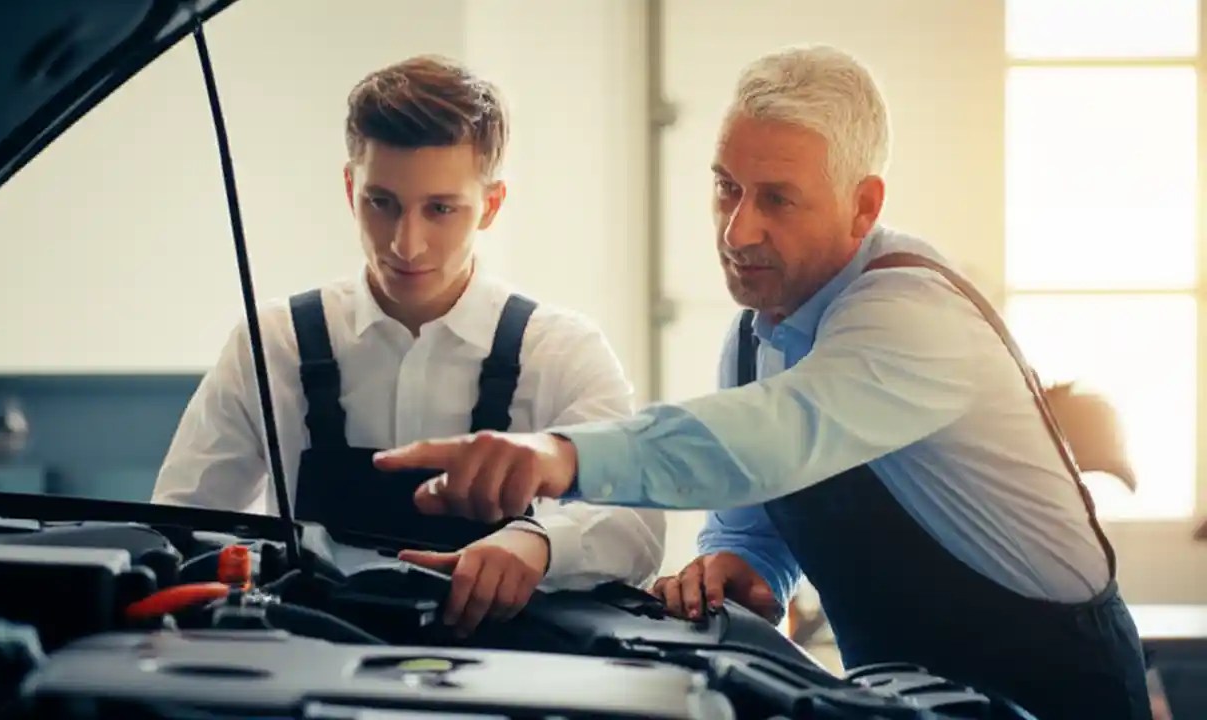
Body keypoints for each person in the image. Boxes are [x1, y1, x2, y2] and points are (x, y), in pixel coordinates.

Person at [371, 46, 1152, 719]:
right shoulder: (752, 341)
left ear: (863, 204)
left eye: (776, 198)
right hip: (902, 699)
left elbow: (777, 432)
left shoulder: (914, 316)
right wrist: (740, 564)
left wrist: (556, 456)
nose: (736, 229)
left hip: (1055, 690)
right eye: (726, 188)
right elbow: (754, 522)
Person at [151, 55, 664, 636]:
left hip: (501, 683)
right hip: (308, 671)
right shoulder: (271, 344)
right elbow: (178, 525)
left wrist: (539, 543)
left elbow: (639, 520)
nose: (406, 243)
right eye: (382, 202)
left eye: (440, 209)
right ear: (350, 188)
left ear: (491, 205)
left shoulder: (562, 351)